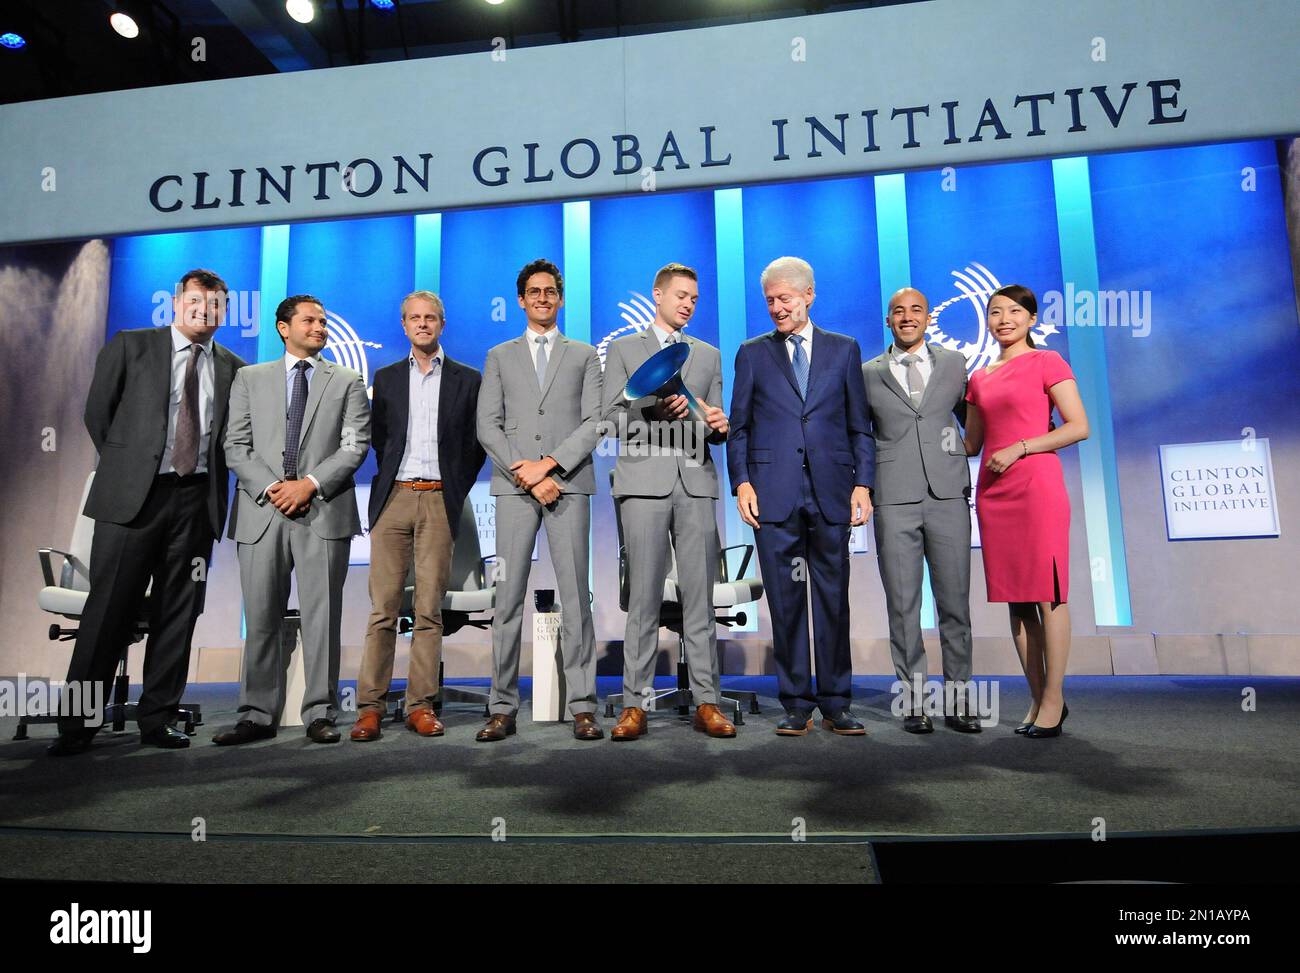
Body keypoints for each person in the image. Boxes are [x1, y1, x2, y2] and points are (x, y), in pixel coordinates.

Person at [49, 269, 247, 755]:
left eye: (216, 304)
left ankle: (157, 720)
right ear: (177, 303)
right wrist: (132, 466)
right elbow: (99, 415)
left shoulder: (234, 367)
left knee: (178, 614)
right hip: (132, 500)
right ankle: (79, 725)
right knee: (108, 612)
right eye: (197, 301)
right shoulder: (131, 345)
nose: (206, 310)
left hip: (196, 502)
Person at [727, 256, 875, 737]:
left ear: (809, 295)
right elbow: (739, 429)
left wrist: (863, 484)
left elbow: (860, 428)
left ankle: (836, 701)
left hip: (832, 492)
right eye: (769, 300)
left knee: (833, 600)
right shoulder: (752, 353)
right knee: (786, 603)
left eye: (785, 298)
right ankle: (795, 702)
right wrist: (742, 482)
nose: (776, 307)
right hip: (773, 495)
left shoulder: (844, 350)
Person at [214, 294, 371, 745]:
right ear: (284, 327)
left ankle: (320, 712)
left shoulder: (347, 381)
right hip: (263, 512)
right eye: (310, 320)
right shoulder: (249, 378)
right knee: (260, 616)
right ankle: (256, 714)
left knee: (322, 617)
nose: (320, 327)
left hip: (322, 511)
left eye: (323, 320)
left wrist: (309, 484)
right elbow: (235, 446)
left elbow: (354, 446)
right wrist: (274, 487)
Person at [602, 262, 736, 741]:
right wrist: (651, 410)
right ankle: (634, 705)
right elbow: (610, 420)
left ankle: (707, 702)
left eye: (695, 299)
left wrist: (718, 426)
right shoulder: (622, 350)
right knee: (643, 600)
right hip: (643, 483)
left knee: (700, 600)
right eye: (680, 295)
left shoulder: (709, 355)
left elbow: (715, 426)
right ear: (656, 295)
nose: (688, 304)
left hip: (696, 482)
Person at [475, 259, 604, 742]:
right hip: (514, 488)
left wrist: (549, 465)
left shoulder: (586, 354)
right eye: (534, 292)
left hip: (568, 484)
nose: (543, 298)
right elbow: (487, 424)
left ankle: (583, 705)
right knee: (506, 600)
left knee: (576, 598)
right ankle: (502, 706)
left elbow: (595, 422)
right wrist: (527, 475)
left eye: (551, 291)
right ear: (522, 299)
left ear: (560, 298)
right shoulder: (499, 355)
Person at [349, 291, 486, 742]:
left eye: (430, 318)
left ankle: (420, 705)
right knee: (383, 609)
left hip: (440, 500)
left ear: (442, 324)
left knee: (429, 610)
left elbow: (475, 444)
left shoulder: (469, 379)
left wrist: (455, 486)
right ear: (404, 325)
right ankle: (370, 707)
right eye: (414, 318)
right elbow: (381, 440)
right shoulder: (385, 378)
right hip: (394, 500)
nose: (422, 324)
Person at [962, 284, 1089, 738]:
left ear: (1032, 318)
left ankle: (1055, 699)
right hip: (994, 493)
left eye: (1015, 311)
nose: (1004, 319)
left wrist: (1021, 447)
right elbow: (972, 444)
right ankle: (1037, 697)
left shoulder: (1047, 361)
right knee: (1017, 600)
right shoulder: (978, 378)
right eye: (995, 312)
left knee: (1048, 594)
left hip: (1036, 485)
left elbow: (1079, 426)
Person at [863, 287, 980, 734]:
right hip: (893, 497)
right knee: (903, 605)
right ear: (888, 320)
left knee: (955, 604)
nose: (907, 317)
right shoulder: (867, 373)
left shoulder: (955, 363)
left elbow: (976, 420)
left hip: (948, 494)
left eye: (915, 310)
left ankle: (961, 700)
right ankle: (913, 701)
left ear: (929, 318)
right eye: (898, 311)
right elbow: (858, 433)